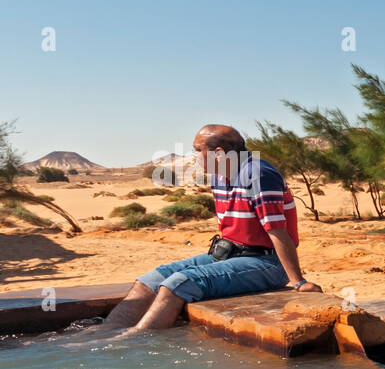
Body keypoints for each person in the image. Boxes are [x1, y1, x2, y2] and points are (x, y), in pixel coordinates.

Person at [104, 124, 322, 332]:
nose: (194, 156)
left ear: (218, 153)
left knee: (178, 285)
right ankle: (101, 334)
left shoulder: (257, 174)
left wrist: (299, 282)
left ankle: (130, 344)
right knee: (148, 281)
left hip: (268, 262)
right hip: (229, 255)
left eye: (198, 150)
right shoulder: (219, 176)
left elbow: (277, 231)